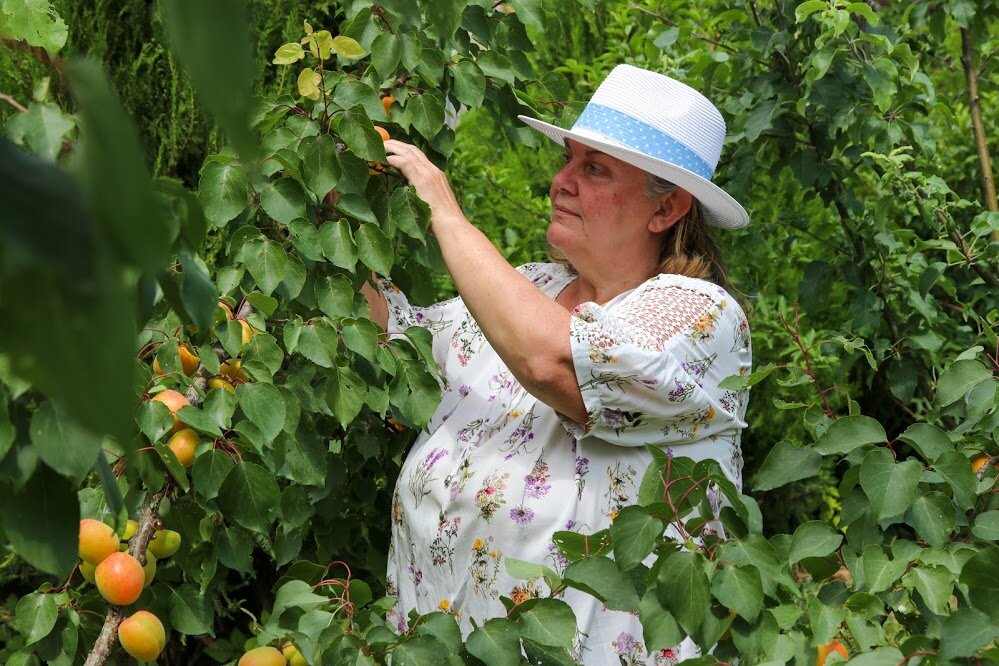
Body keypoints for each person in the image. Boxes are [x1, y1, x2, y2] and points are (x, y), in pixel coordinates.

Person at [361, 64, 752, 664]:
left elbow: (556, 365)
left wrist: (445, 211)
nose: (560, 182)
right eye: (568, 159)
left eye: (594, 169)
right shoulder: (529, 287)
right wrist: (336, 206)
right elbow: (392, 342)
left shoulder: (700, 318)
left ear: (667, 208)